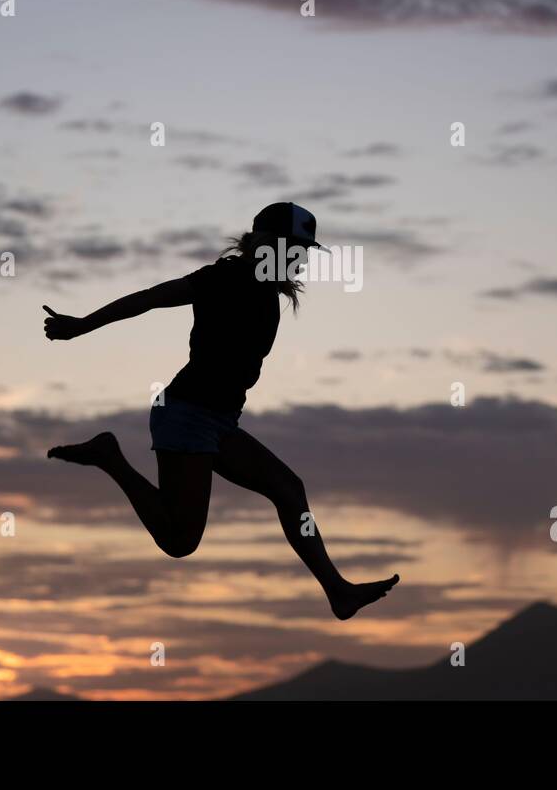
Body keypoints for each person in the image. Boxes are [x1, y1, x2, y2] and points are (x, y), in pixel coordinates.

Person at [43, 202, 399, 620]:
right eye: (295, 249)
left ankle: (337, 591)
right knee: (180, 542)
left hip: (218, 422)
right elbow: (149, 299)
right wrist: (81, 325)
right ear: (267, 246)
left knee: (289, 489)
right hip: (186, 413)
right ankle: (110, 457)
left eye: (304, 251)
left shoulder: (268, 290)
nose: (301, 259)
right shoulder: (224, 278)